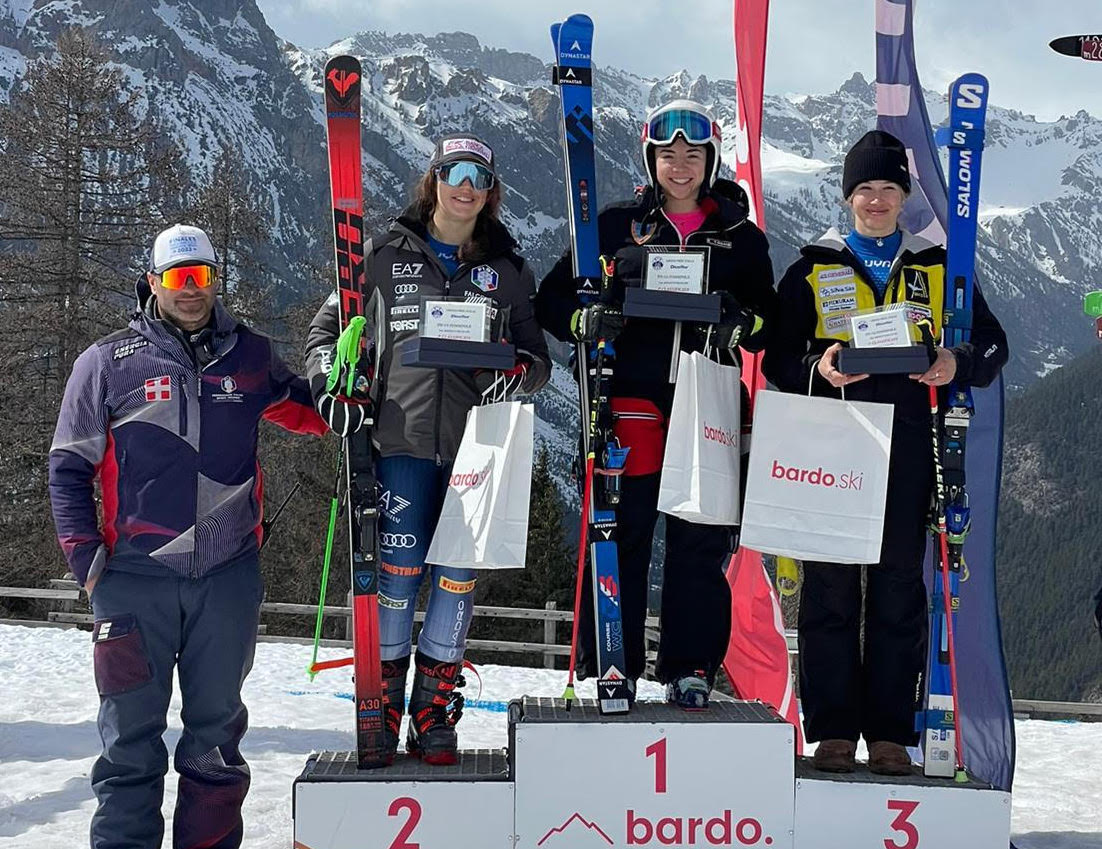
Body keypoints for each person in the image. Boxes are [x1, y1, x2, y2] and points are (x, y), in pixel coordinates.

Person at [48, 224, 329, 849]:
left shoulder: (250, 358)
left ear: (214, 279)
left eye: (200, 275)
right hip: (132, 583)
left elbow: (310, 412)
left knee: (215, 743)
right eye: (177, 277)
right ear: (153, 282)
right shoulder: (105, 363)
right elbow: (68, 465)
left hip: (225, 580)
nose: (190, 290)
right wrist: (87, 560)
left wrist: (349, 386)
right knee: (128, 747)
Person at [763, 130, 1008, 775]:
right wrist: (821, 366)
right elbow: (778, 360)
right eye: (865, 189)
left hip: (909, 451)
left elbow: (992, 345)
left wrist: (955, 359)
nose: (877, 200)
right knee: (831, 591)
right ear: (848, 197)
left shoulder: (939, 267)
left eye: (889, 189)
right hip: (832, 454)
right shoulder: (814, 267)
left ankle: (892, 733)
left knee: (900, 591)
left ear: (903, 197)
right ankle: (835, 730)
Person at [305, 133, 550, 765]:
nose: (464, 186)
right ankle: (383, 704)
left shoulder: (508, 269)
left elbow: (537, 358)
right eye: (453, 172)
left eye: (478, 176)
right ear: (433, 179)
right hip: (400, 437)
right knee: (398, 576)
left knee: (457, 578)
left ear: (490, 190)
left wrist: (518, 373)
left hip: (477, 446)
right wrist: (333, 381)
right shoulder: (381, 254)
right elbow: (328, 331)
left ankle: (433, 709)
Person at [536, 99, 777, 710]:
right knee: (625, 524)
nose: (680, 165)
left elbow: (771, 322)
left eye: (692, 154)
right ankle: (612, 660)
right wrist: (582, 319)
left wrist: (742, 325)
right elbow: (551, 301)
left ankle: (690, 666)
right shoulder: (615, 224)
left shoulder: (740, 239)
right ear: (651, 158)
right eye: (667, 154)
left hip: (709, 396)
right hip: (634, 393)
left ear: (710, 161)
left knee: (699, 536)